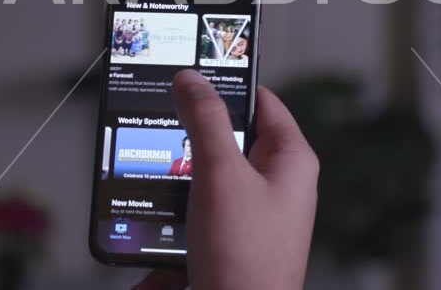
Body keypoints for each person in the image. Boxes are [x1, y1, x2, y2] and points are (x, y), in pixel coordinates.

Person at [134, 70, 318, 290]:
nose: (188, 149)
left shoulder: (203, 167)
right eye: (185, 146)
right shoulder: (175, 164)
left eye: (190, 146)